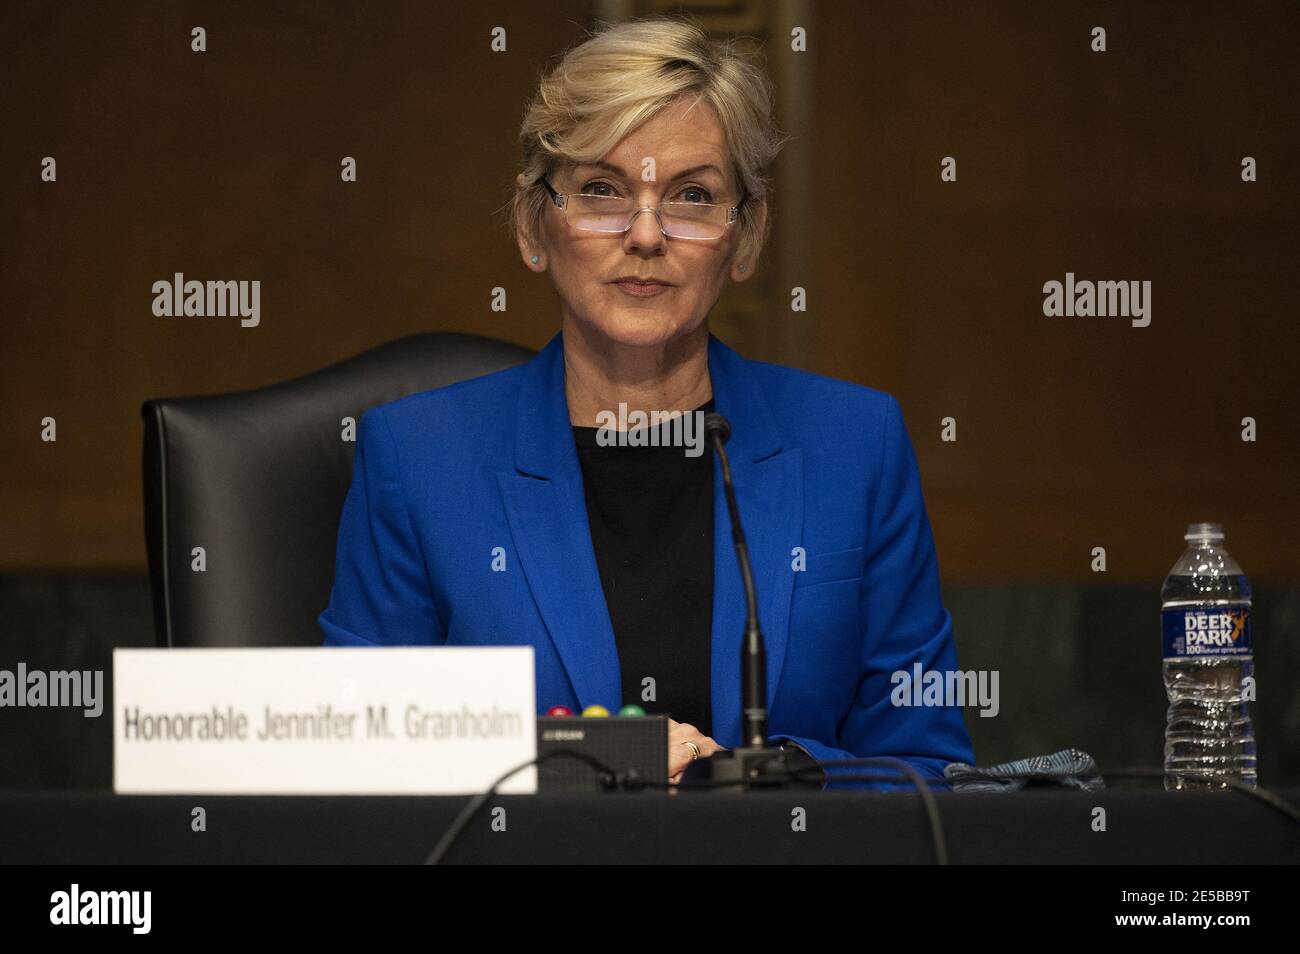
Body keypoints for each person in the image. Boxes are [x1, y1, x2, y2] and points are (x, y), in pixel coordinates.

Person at [320, 16, 974, 787]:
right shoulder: (418, 458)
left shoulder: (856, 444)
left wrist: (762, 774)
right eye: (602, 190)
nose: (646, 233)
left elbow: (929, 768)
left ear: (746, 237)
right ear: (536, 225)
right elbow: (360, 759)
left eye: (693, 196)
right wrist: (603, 761)